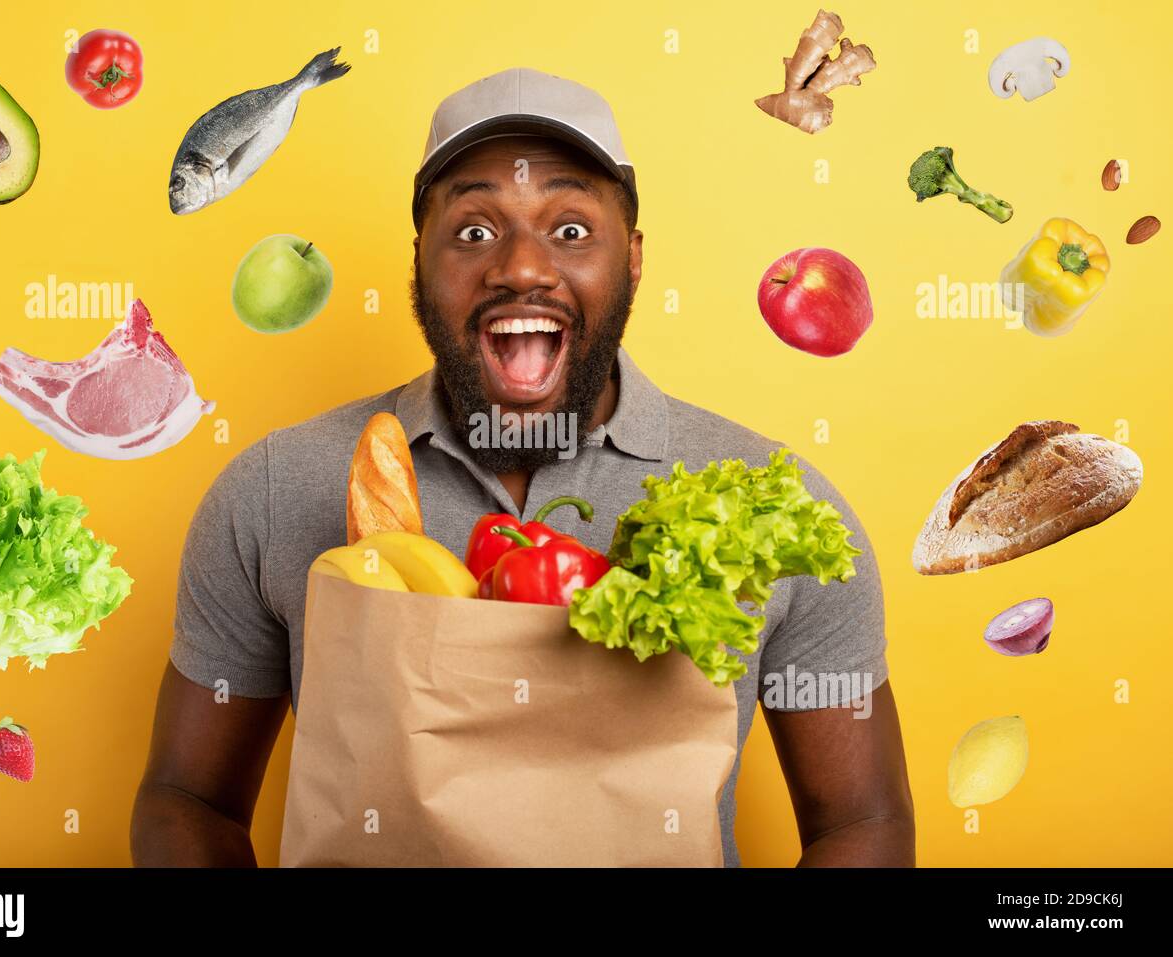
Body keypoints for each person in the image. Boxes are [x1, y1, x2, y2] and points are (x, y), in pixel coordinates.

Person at [131, 67, 915, 867]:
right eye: (474, 230)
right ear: (418, 262)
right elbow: (187, 799)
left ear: (634, 259)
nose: (521, 268)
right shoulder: (276, 489)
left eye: (571, 229)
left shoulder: (765, 500)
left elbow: (862, 822)